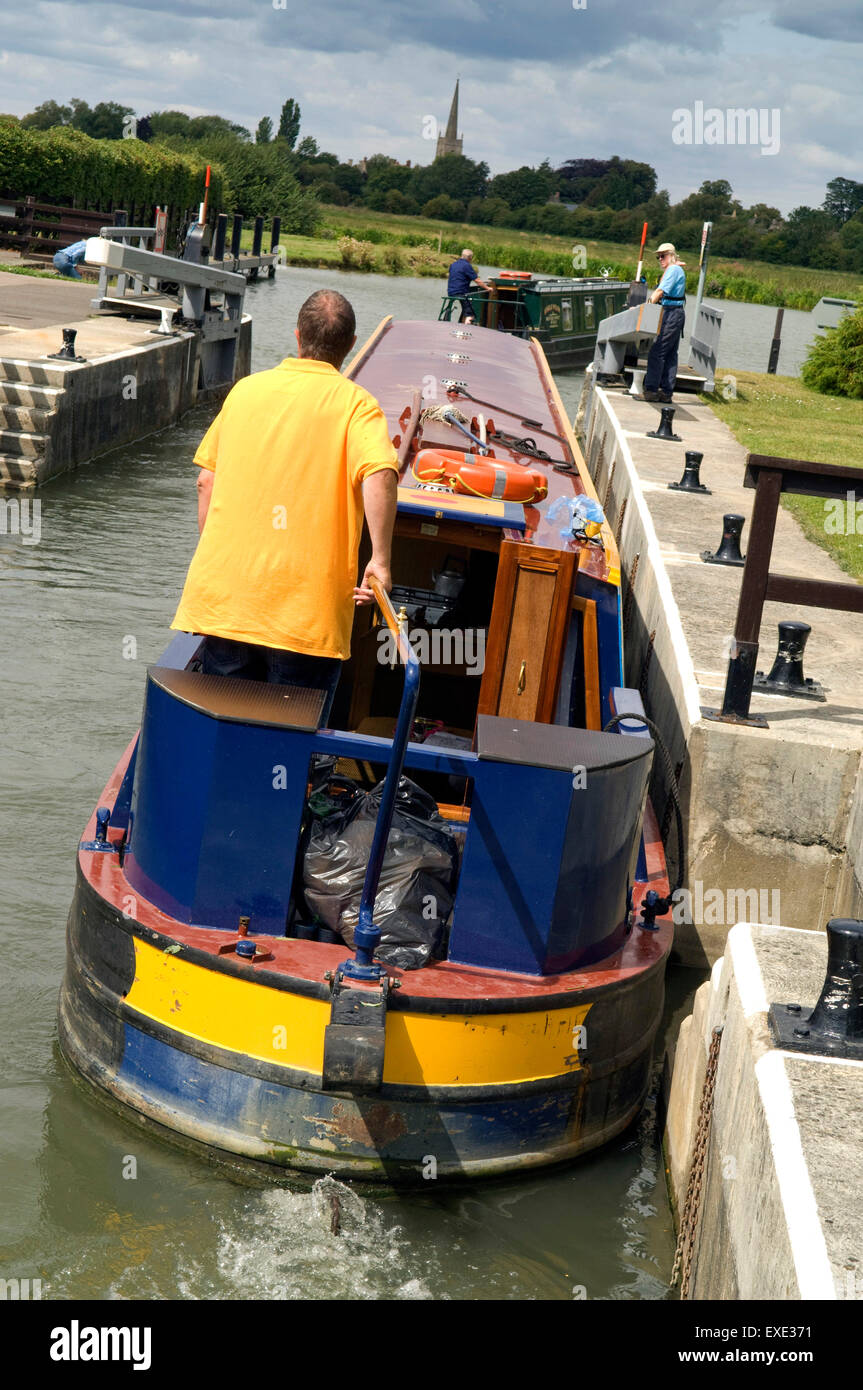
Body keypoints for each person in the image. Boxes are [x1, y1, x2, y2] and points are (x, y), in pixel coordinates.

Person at [171, 289, 399, 725]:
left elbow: (206, 482)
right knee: (288, 742)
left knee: (225, 732)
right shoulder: (357, 405)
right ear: (350, 345)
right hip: (303, 614)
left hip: (228, 601)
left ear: (297, 337)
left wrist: (219, 558)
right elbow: (380, 475)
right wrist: (381, 561)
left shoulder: (245, 391)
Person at [642, 242, 687, 403]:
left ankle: (651, 390)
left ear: (672, 256)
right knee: (669, 354)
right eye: (658, 256)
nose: (660, 259)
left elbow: (660, 291)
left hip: (670, 313)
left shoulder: (673, 270)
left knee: (657, 351)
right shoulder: (675, 268)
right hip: (675, 313)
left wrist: (646, 307)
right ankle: (666, 392)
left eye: (663, 255)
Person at [447, 249, 490, 323]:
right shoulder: (467, 266)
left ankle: (450, 319)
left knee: (465, 310)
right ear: (470, 258)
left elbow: (457, 277)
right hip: (461, 293)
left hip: (450, 292)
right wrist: (488, 288)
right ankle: (467, 327)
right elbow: (477, 281)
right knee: (471, 315)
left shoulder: (453, 265)